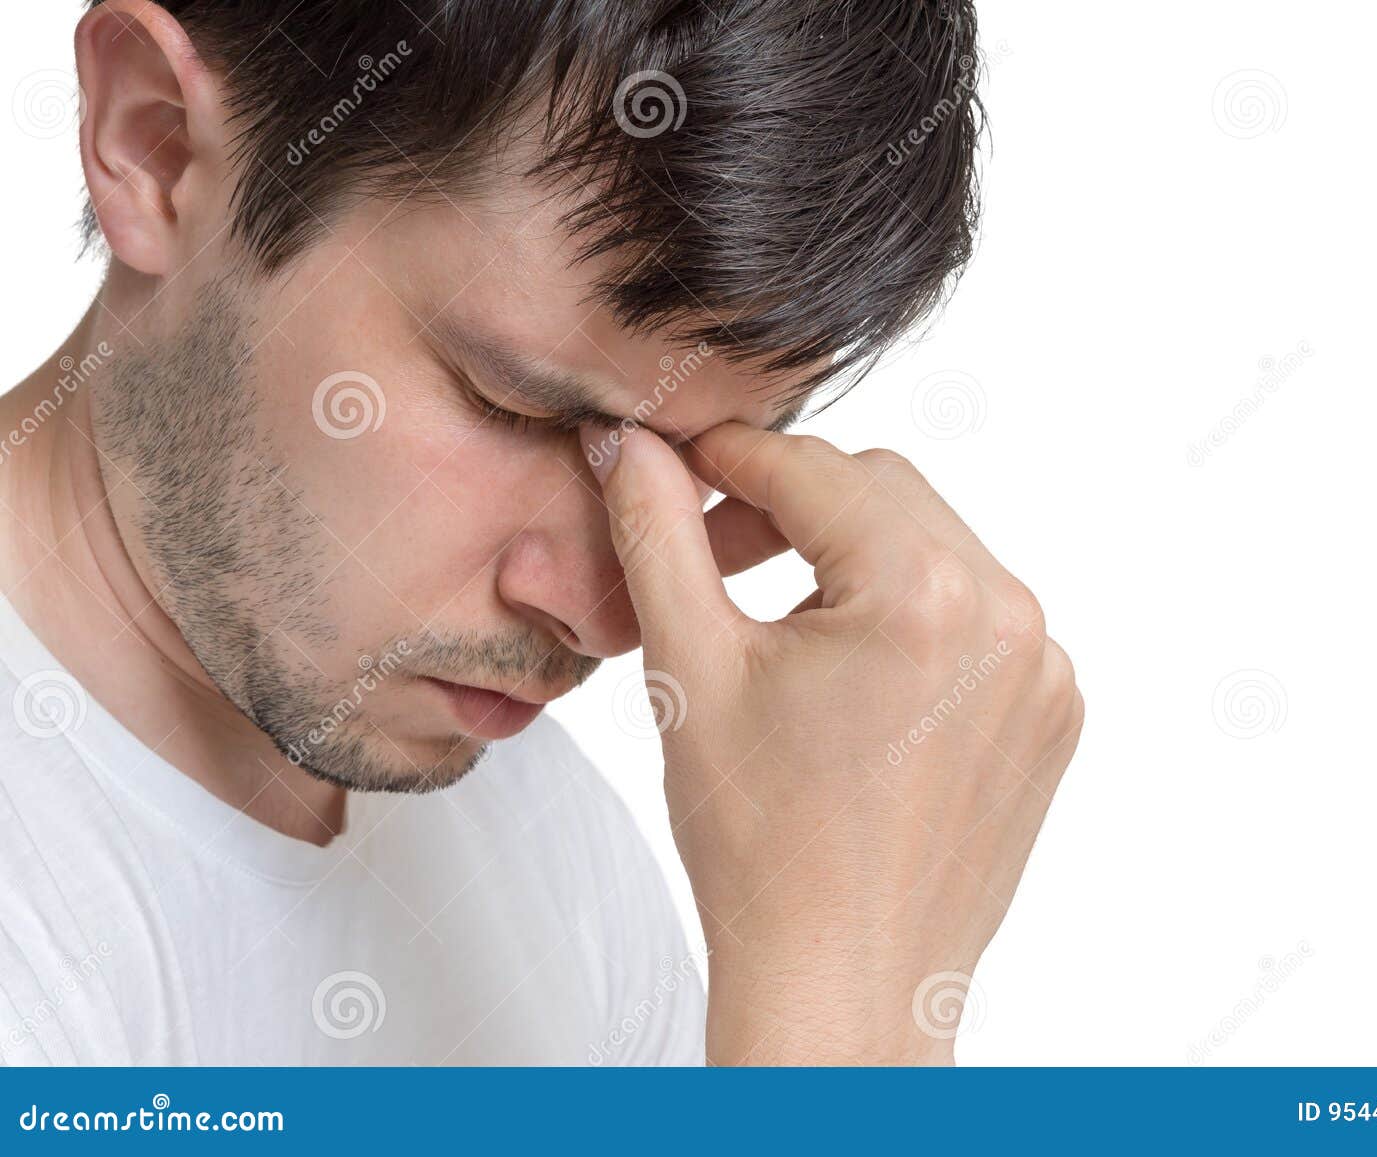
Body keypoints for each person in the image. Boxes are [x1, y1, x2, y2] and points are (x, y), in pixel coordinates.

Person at [0, 0, 1082, 1066]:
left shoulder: (547, 850)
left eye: (699, 463)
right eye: (514, 407)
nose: (611, 618)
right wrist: (840, 1007)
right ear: (154, 141)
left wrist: (844, 965)